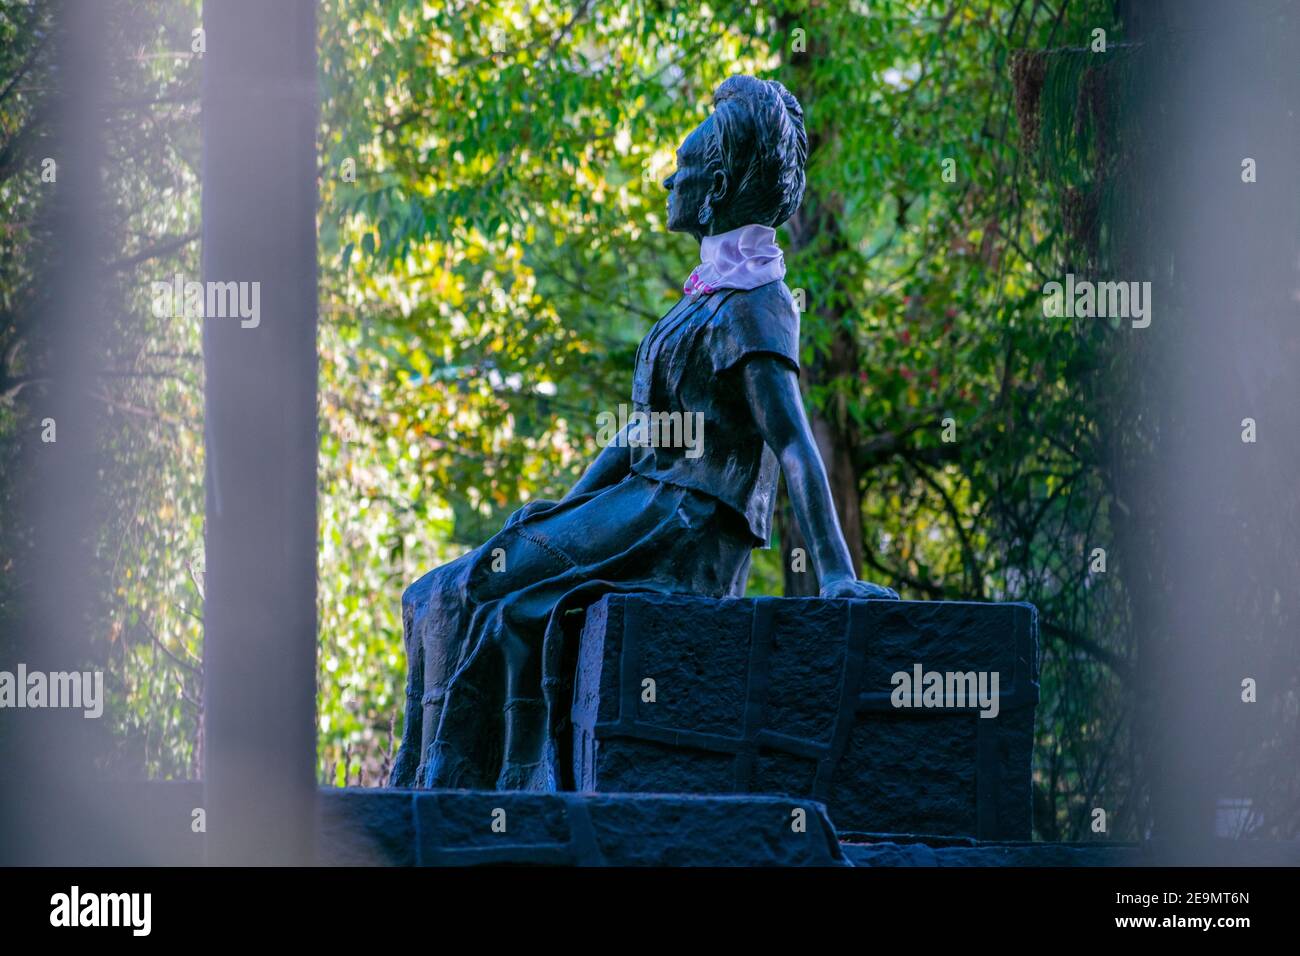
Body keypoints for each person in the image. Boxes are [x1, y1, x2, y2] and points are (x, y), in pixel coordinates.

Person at [390, 75, 898, 793]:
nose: (668, 176)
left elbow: (791, 443)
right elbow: (645, 435)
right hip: (642, 499)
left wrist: (838, 575)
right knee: (444, 587)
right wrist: (560, 507)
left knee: (489, 593)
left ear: (717, 185)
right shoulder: (706, 298)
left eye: (682, 167)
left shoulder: (756, 304)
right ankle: (423, 784)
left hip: (684, 525)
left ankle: (464, 794)